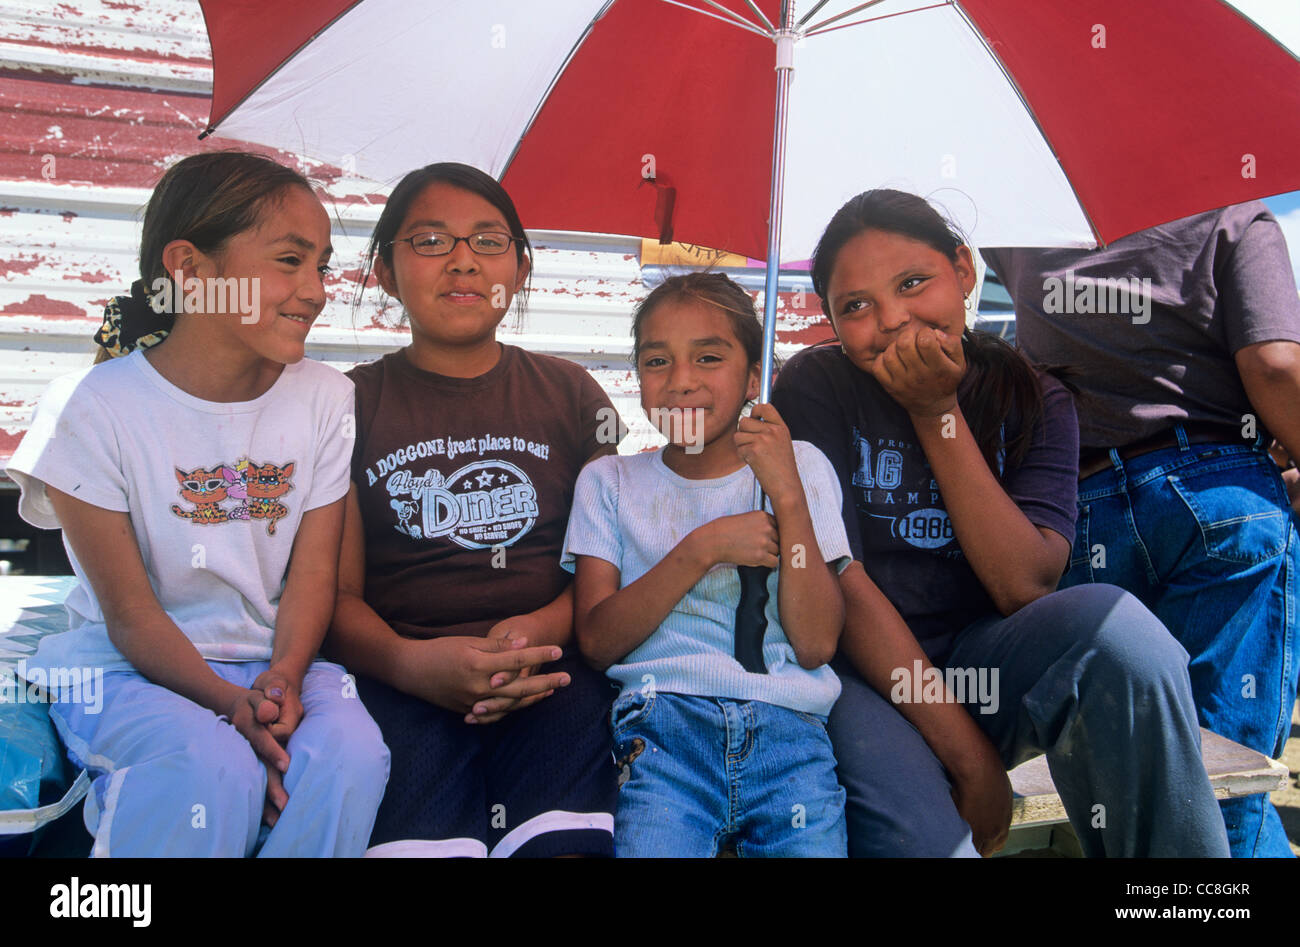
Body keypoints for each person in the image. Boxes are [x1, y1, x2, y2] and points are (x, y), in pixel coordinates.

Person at [771, 188, 1230, 857]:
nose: (892, 319)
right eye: (856, 307)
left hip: (988, 661)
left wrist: (936, 412)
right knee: (929, 841)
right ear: (833, 323)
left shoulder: (1033, 395)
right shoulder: (819, 386)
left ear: (963, 269)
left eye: (913, 283)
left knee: (1121, 634)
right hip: (856, 674)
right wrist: (971, 760)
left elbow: (1023, 586)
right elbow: (842, 579)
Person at [4, 151, 389, 857]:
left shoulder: (326, 398)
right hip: (126, 667)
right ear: (191, 267)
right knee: (208, 768)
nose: (315, 290)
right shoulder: (92, 407)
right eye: (289, 261)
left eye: (322, 266)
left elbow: (311, 577)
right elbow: (130, 615)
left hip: (277, 662)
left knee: (351, 756)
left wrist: (283, 677)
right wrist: (227, 703)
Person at [982, 202, 1300, 857]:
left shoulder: (1021, 226)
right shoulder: (1233, 213)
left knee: (1123, 802)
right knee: (1222, 782)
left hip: (1078, 506)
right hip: (1219, 495)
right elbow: (1274, 364)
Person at [326, 162, 619, 858]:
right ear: (387, 271)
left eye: (488, 241)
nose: (462, 260)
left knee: (563, 847)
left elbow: (613, 569)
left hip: (554, 673)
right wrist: (411, 664)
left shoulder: (574, 396)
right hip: (399, 684)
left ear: (520, 267)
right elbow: (330, 597)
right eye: (430, 240)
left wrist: (540, 632)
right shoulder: (346, 404)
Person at [564, 272, 851, 857]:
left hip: (790, 732)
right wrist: (703, 548)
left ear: (752, 377)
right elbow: (596, 641)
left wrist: (788, 496)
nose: (681, 382)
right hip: (662, 727)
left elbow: (817, 643)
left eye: (709, 357)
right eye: (657, 360)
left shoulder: (801, 467)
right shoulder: (610, 483)